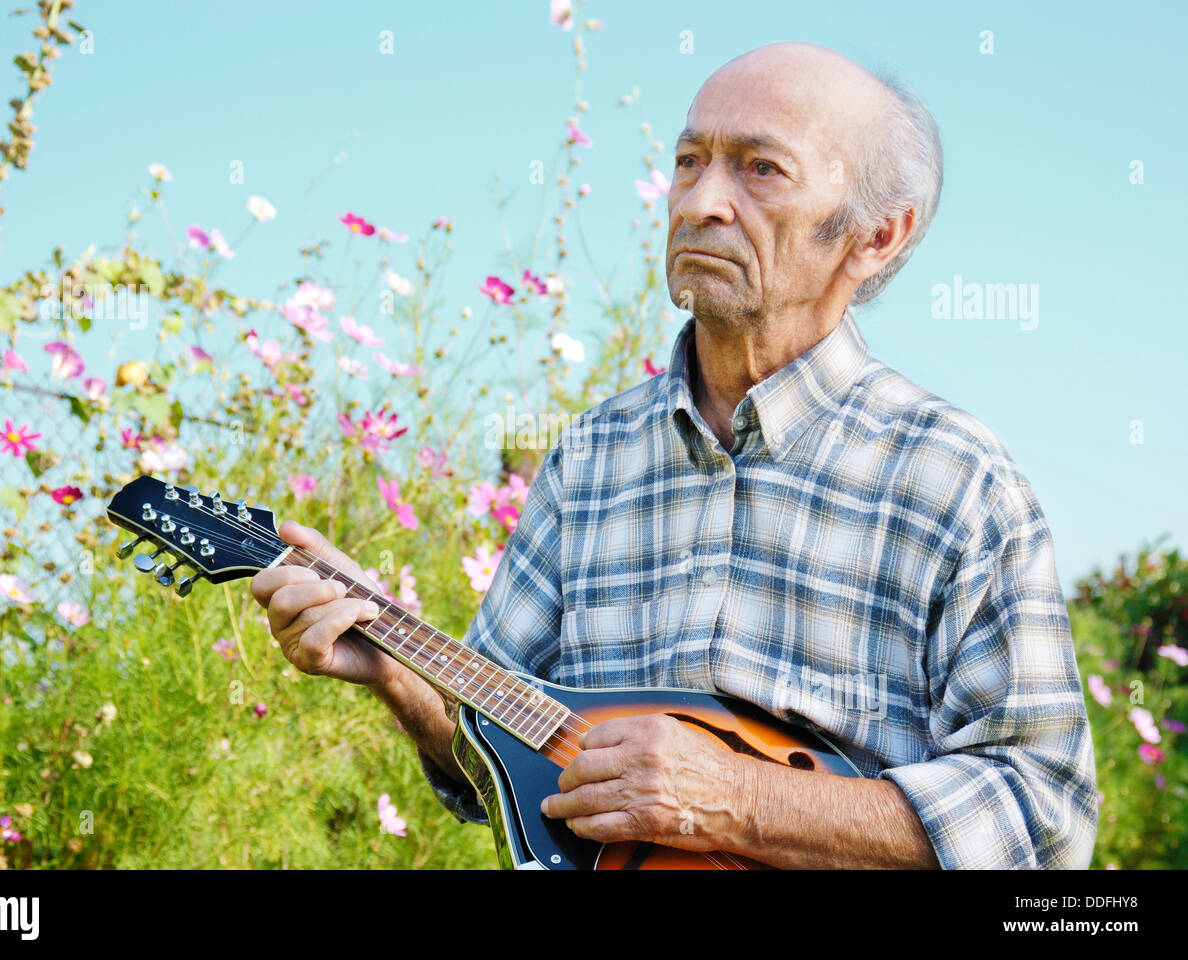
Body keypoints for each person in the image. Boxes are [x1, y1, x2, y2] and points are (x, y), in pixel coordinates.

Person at [251, 42, 1098, 869]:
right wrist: (397, 675)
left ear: (877, 236)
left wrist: (740, 801)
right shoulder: (587, 462)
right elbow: (499, 771)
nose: (700, 201)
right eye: (690, 162)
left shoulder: (954, 478)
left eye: (760, 169)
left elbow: (1045, 813)